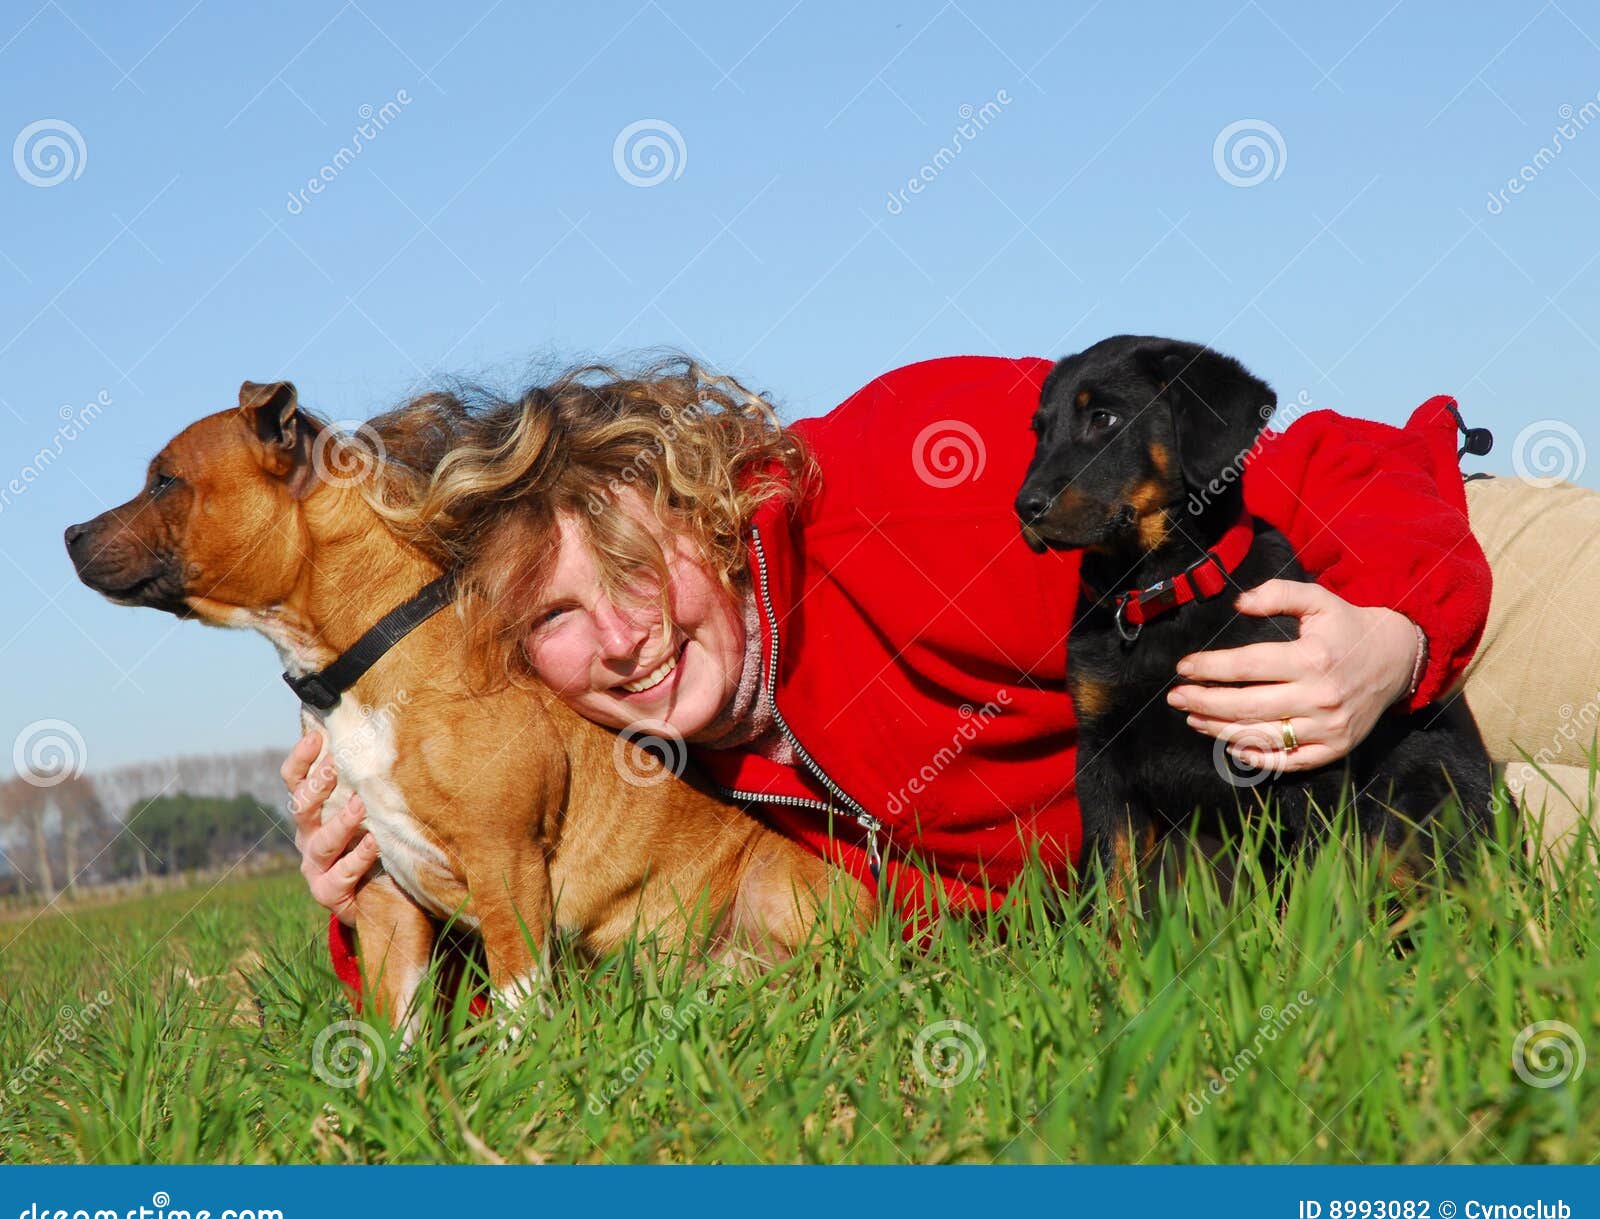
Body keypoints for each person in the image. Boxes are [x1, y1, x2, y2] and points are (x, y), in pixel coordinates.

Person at [281, 353, 1597, 995]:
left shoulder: (907, 480)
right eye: (557, 624)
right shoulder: (697, 785)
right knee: (1549, 851)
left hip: (1413, 569)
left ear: (680, 494)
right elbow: (548, 932)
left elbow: (1310, 465)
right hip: (1322, 803)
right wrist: (374, 885)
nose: (617, 638)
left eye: (623, 568)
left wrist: (1395, 634)